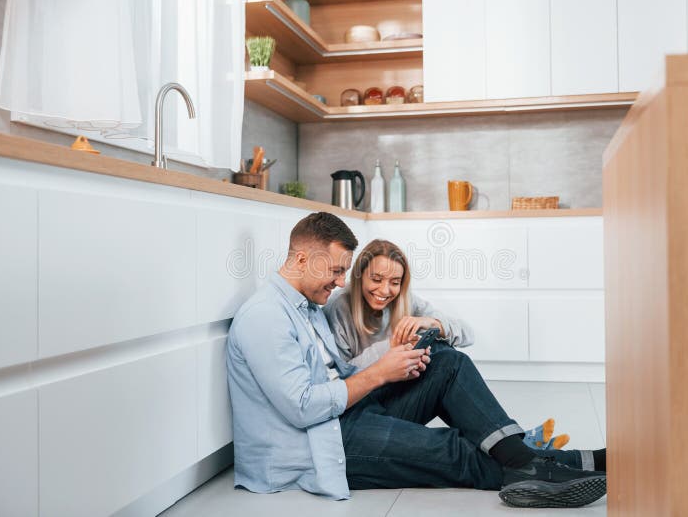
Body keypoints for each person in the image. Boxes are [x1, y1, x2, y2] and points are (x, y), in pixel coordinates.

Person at [226, 212, 606, 508]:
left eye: (344, 271)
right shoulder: (265, 316)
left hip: (344, 419)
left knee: (447, 362)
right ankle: (561, 464)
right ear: (304, 259)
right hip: (322, 445)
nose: (341, 281)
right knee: (454, 450)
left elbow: (335, 378)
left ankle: (532, 463)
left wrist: (398, 364)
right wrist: (380, 373)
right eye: (337, 270)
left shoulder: (307, 308)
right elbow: (303, 408)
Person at [323, 238, 598, 471]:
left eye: (395, 282)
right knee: (447, 365)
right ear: (359, 275)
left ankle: (521, 451)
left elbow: (467, 334)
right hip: (365, 415)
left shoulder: (406, 303)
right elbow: (341, 381)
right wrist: (392, 353)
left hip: (399, 397)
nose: (385, 290)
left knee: (448, 355)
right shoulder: (339, 309)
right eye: (377, 279)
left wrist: (435, 325)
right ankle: (527, 450)